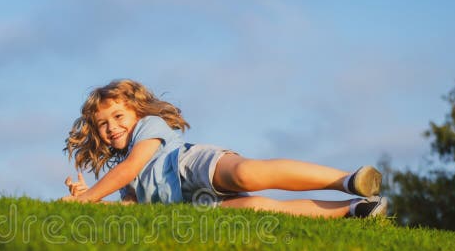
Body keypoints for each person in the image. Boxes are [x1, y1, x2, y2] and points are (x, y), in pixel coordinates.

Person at [62, 79, 387, 218]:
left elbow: (130, 167)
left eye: (118, 116)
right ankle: (354, 208)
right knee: (257, 209)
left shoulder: (149, 129)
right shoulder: (127, 184)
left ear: (138, 112)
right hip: (189, 204)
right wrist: (86, 204)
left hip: (190, 165)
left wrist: (92, 195)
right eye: (103, 124)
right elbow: (130, 209)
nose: (111, 127)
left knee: (248, 174)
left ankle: (348, 180)